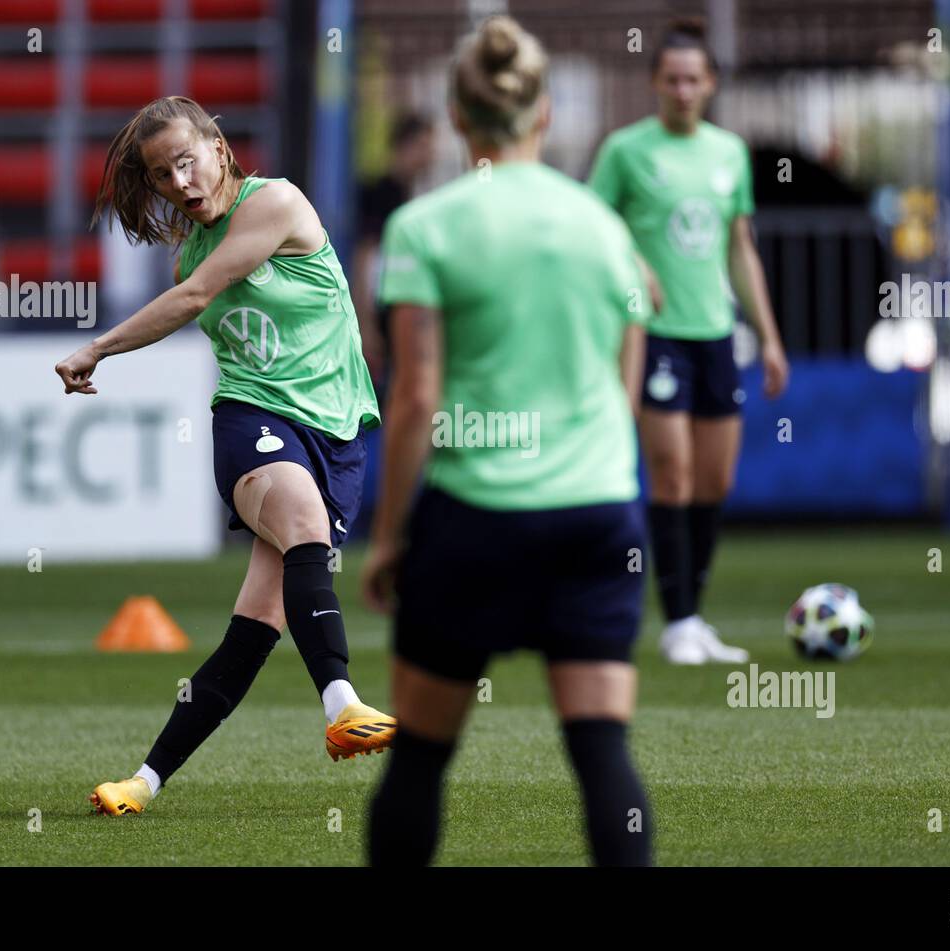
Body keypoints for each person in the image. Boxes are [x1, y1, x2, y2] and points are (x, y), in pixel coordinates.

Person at [361, 16, 653, 866]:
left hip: (474, 523)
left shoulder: (427, 226)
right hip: (597, 516)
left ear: (456, 115)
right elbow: (624, 382)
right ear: (546, 114)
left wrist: (389, 538)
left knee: (418, 758)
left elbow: (415, 396)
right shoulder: (604, 227)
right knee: (602, 754)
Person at [53, 95, 393, 816]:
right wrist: (100, 349)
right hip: (253, 423)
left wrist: (99, 344)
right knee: (300, 522)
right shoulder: (191, 252)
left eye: (186, 159)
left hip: (336, 434)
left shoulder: (277, 204)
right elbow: (195, 291)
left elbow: (198, 295)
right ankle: (342, 706)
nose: (179, 181)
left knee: (254, 630)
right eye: (161, 174)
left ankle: (141, 783)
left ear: (218, 147)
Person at [588, 17, 789, 666]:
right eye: (671, 78)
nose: (682, 89)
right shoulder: (625, 150)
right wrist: (636, 267)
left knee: (715, 479)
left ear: (711, 84)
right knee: (670, 472)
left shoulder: (729, 153)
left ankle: (694, 615)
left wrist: (770, 337)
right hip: (654, 335)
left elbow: (740, 249)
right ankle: (676, 622)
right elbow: (593, 228)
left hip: (715, 335)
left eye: (693, 79)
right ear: (654, 81)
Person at [353, 112, 436, 391]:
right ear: (405, 146)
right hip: (381, 310)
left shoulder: (409, 193)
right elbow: (366, 255)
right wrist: (366, 322)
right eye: (424, 146)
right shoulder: (382, 193)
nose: (430, 156)